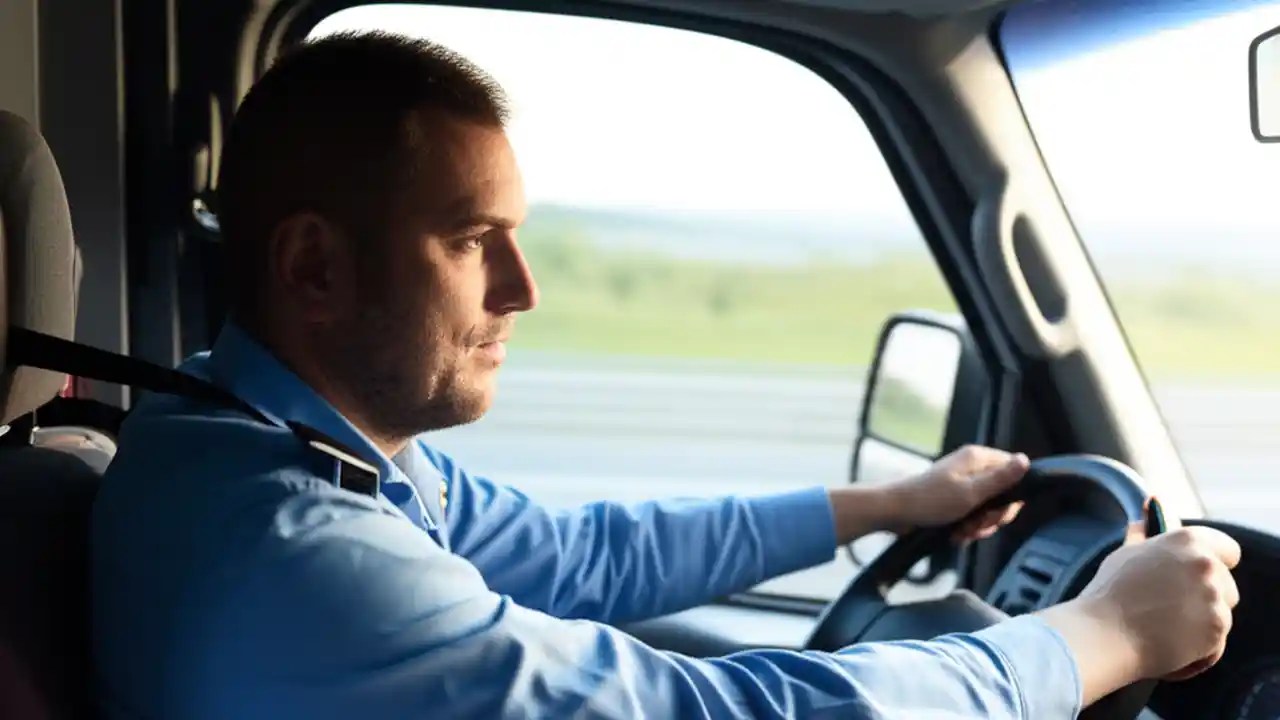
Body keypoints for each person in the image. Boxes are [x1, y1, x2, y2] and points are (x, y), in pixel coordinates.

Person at [90, 31, 1241, 719]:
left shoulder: (265, 439)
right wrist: (1103, 640)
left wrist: (892, 503)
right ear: (313, 267)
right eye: (468, 241)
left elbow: (589, 555)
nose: (522, 289)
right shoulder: (294, 557)